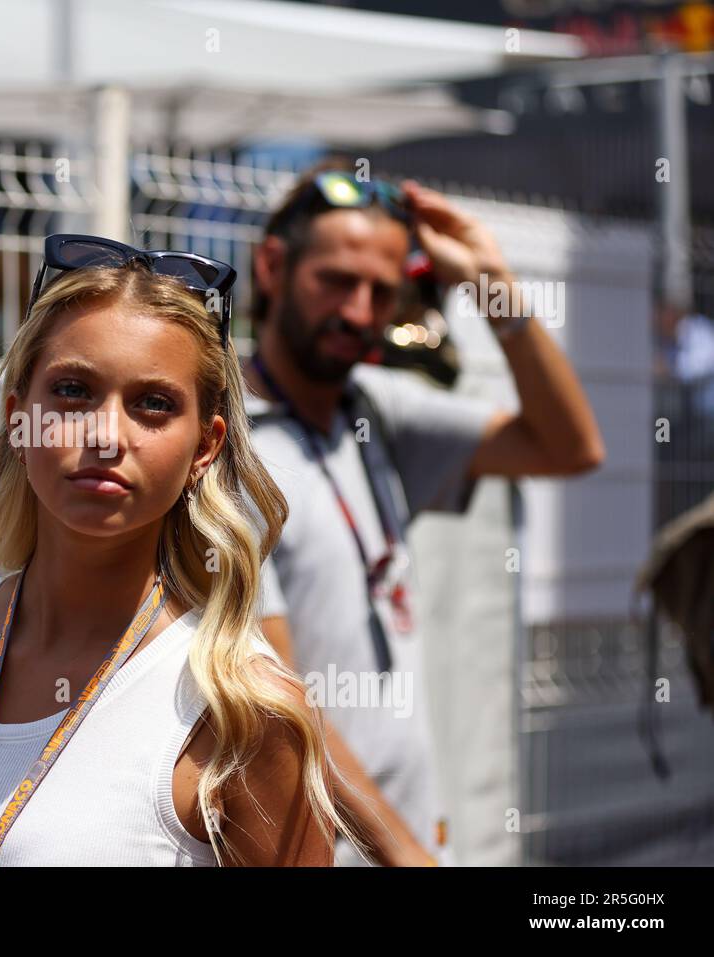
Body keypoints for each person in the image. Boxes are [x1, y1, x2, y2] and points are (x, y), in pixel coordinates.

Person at [0, 233, 354, 866]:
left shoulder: (243, 709)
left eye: (153, 405)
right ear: (19, 418)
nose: (105, 435)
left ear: (204, 448)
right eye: (73, 390)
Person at [245, 164, 605, 866]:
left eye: (382, 291)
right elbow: (277, 699)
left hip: (409, 837)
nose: (358, 311)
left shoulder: (376, 408)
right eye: (337, 280)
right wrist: (404, 854)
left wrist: (490, 284)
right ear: (272, 266)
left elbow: (571, 446)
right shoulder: (226, 442)